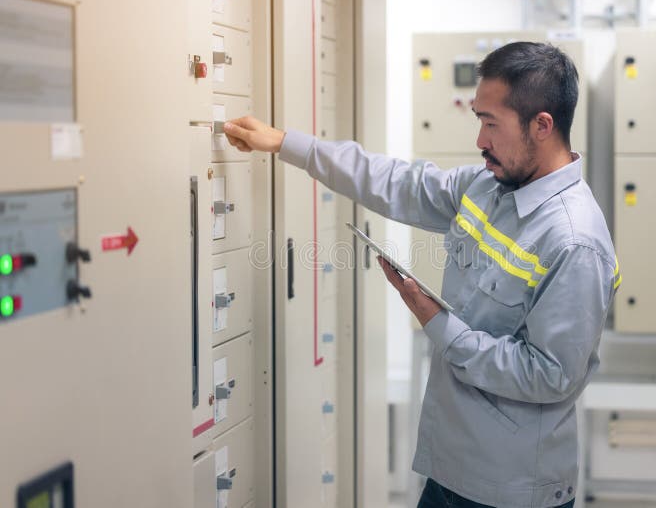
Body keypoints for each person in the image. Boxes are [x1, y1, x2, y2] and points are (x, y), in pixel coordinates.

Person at [224, 42, 619, 508]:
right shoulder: (487, 188)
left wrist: (437, 321)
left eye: (491, 123)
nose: (480, 141)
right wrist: (287, 144)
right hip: (448, 471)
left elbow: (550, 375)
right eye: (479, 120)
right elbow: (393, 180)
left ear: (542, 125)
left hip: (512, 491)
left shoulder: (575, 241)